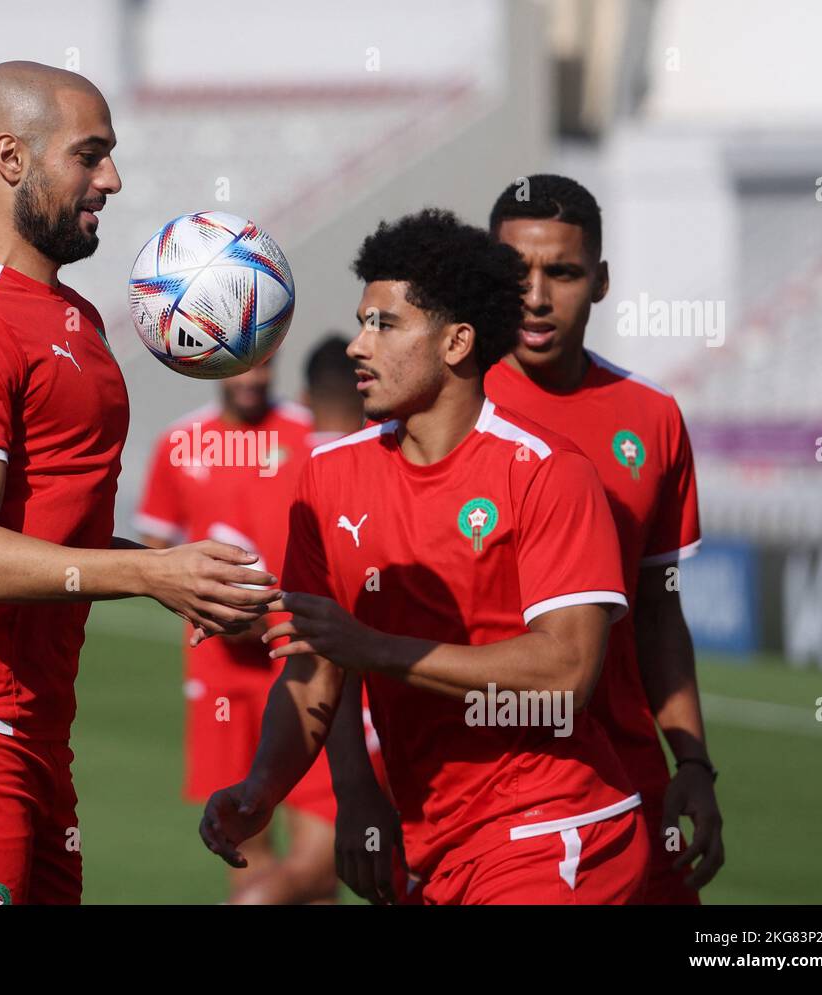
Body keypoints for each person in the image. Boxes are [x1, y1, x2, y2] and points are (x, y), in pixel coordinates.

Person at [0, 61, 274, 905]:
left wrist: (173, 570)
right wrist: (150, 571)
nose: (112, 179)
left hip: (35, 729)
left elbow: (56, 535)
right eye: (91, 155)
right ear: (12, 159)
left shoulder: (76, 317)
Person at [200, 209, 648, 904]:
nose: (357, 345)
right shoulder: (328, 475)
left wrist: (373, 647)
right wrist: (292, 788)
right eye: (361, 321)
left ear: (457, 342)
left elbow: (568, 671)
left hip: (551, 833)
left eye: (384, 324)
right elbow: (316, 662)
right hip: (427, 845)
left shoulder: (546, 471)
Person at [483, 174, 723, 901]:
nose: (535, 295)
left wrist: (692, 762)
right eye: (514, 272)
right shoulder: (440, 407)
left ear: (602, 281)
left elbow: (658, 609)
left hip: (628, 777)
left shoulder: (651, 418)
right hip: (484, 780)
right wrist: (364, 788)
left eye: (562, 272)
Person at [135, 336, 366, 903]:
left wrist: (269, 615)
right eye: (242, 366)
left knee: (318, 855)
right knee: (242, 840)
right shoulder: (178, 445)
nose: (254, 378)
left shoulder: (307, 436)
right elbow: (154, 555)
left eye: (264, 363)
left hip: (302, 660)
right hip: (219, 675)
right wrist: (211, 604)